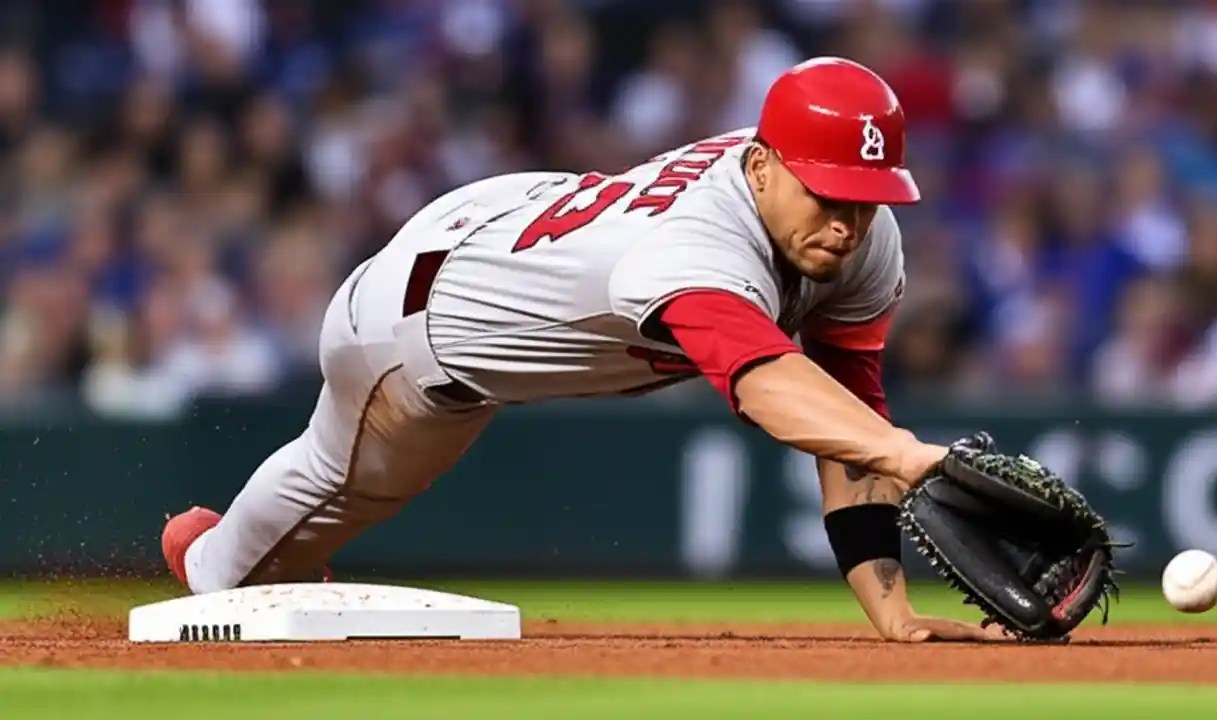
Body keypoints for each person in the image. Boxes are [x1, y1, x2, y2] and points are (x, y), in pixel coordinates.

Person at [162, 58, 1004, 643]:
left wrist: (889, 608)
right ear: (760, 167)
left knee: (340, 486)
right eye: (829, 194)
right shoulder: (698, 246)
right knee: (346, 483)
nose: (848, 222)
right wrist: (908, 455)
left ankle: (270, 551)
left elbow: (845, 423)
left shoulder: (851, 233)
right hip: (415, 319)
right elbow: (768, 386)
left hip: (521, 221)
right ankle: (209, 555)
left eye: (867, 198)